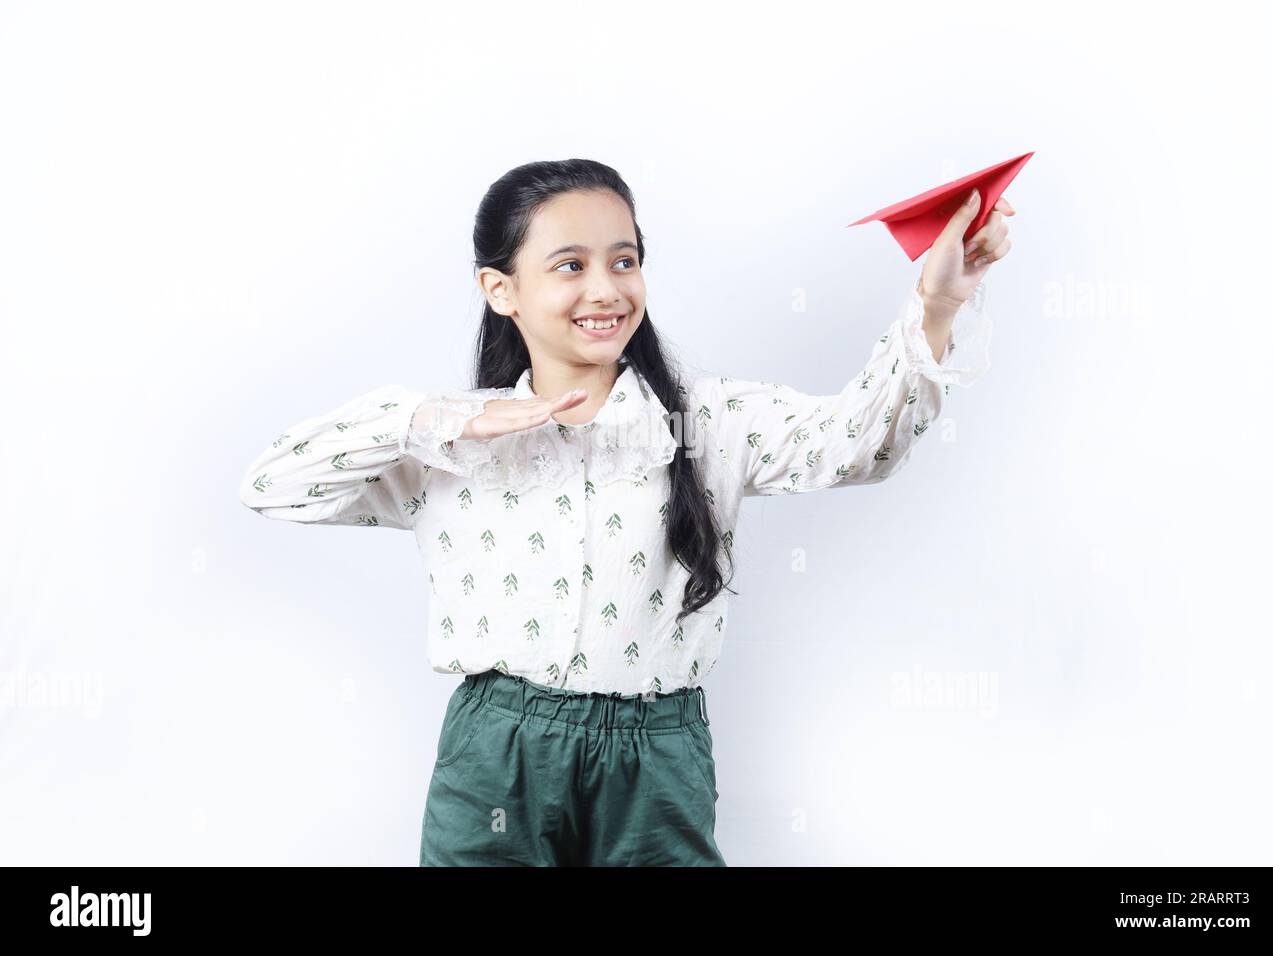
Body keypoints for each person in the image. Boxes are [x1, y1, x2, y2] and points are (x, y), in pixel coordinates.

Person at [238, 158, 1013, 866]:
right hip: (496, 752)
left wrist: (935, 303)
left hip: (657, 751)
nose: (607, 290)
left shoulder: (710, 422)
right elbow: (272, 485)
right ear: (500, 288)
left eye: (625, 261)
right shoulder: (451, 448)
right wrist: (429, 420)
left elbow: (861, 445)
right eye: (569, 265)